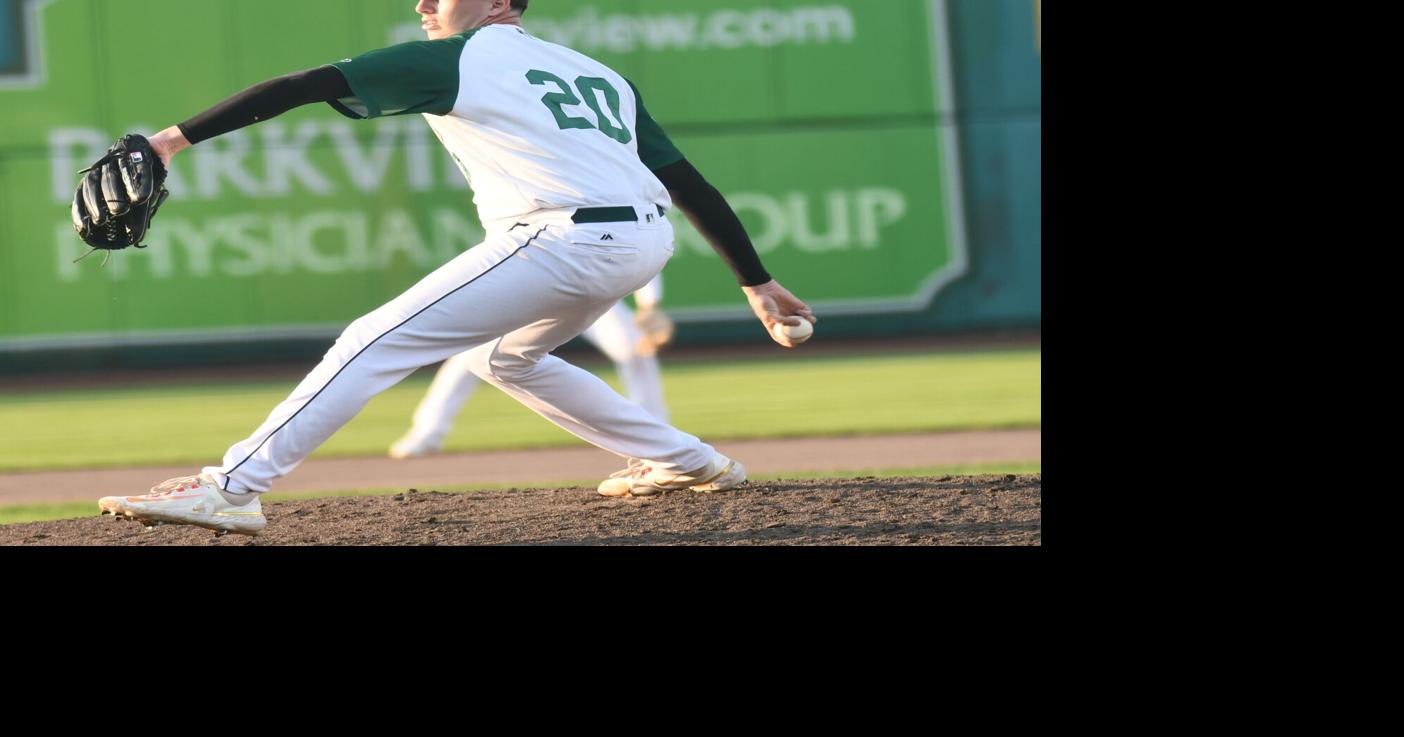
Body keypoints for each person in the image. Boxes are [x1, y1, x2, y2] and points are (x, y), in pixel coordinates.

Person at [97, 0, 815, 537]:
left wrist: (168, 142)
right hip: (642, 240)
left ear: (498, 3)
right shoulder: (599, 74)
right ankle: (686, 460)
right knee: (502, 358)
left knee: (374, 338)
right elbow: (687, 183)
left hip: (564, 236)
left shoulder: (458, 57)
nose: (423, 4)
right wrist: (754, 280)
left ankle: (230, 488)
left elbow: (303, 84)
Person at [389, 275, 673, 459]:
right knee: (470, 355)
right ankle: (428, 432)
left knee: (636, 347)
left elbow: (640, 227)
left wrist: (649, 305)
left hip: (589, 291)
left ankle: (657, 434)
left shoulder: (604, 201)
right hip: (534, 288)